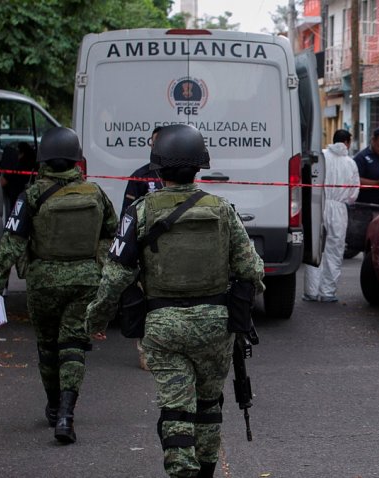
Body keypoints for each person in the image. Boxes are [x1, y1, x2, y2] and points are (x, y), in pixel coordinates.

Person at [85, 124, 265, 477]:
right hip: (216, 327)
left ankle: (182, 471)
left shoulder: (139, 211)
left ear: (156, 166)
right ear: (200, 165)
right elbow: (252, 272)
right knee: (209, 407)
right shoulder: (223, 209)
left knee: (176, 411)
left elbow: (116, 275)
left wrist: (95, 319)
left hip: (164, 328)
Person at [0, 127, 118, 444]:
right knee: (72, 346)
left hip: (43, 282)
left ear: (42, 160)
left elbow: (13, 242)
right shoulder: (95, 193)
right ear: (76, 160)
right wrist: (100, 267)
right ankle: (67, 414)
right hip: (85, 281)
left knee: (47, 347)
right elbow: (112, 233)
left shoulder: (30, 196)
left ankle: (54, 406)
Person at [122, 126, 163, 370]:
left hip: (171, 255)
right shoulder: (139, 176)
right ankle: (145, 351)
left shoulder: (178, 176)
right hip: (145, 253)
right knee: (144, 303)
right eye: (153, 142)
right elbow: (126, 218)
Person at [303, 129, 359, 303]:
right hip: (339, 208)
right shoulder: (350, 163)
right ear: (347, 142)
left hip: (318, 205)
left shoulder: (320, 157)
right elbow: (353, 193)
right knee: (334, 250)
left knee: (315, 248)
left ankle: (311, 291)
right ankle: (327, 292)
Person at [121, 126, 164, 218]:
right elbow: (127, 214)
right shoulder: (139, 176)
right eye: (153, 143)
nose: (153, 146)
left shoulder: (179, 173)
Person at [0, 141, 37, 218]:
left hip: (16, 202)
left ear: (21, 154)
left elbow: (2, 182)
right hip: (29, 203)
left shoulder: (15, 167)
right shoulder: (32, 166)